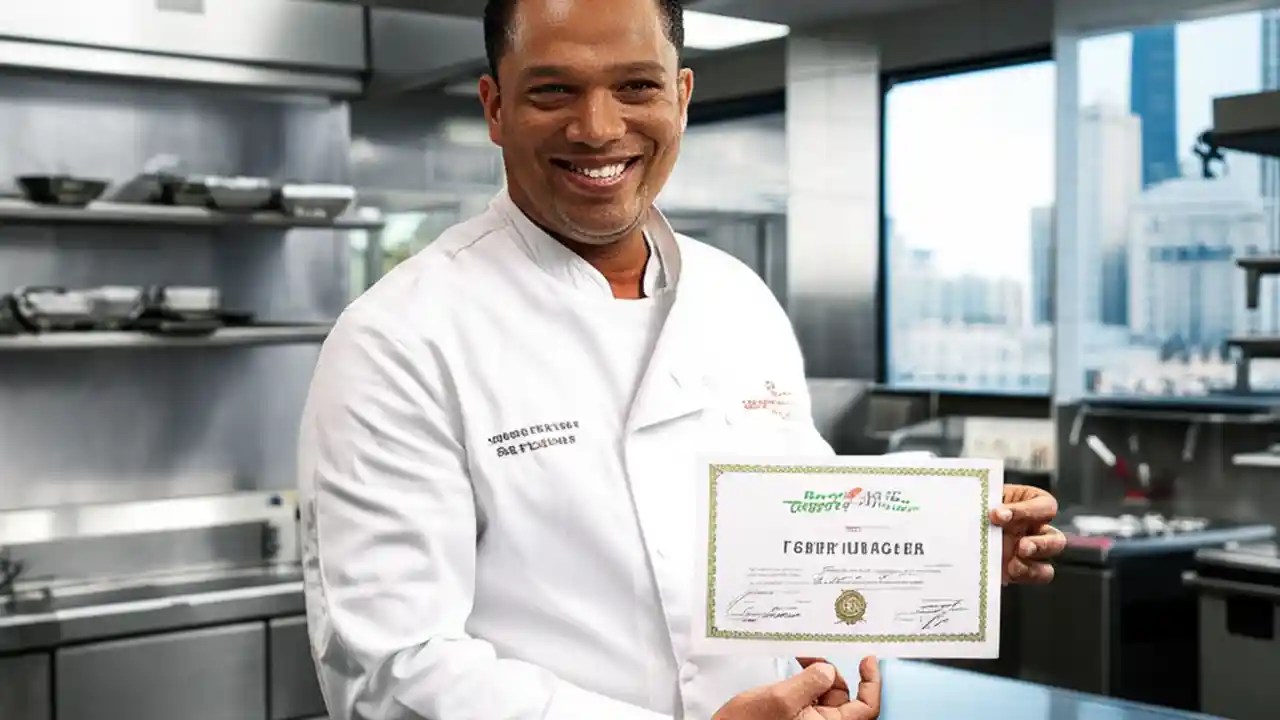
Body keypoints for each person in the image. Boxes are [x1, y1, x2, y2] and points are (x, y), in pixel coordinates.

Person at [295, 0, 1066, 718]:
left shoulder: (738, 298)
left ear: (681, 95)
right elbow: (394, 667)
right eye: (554, 91)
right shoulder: (399, 339)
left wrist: (944, 557)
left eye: (636, 86)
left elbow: (803, 545)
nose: (597, 129)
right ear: (496, 108)